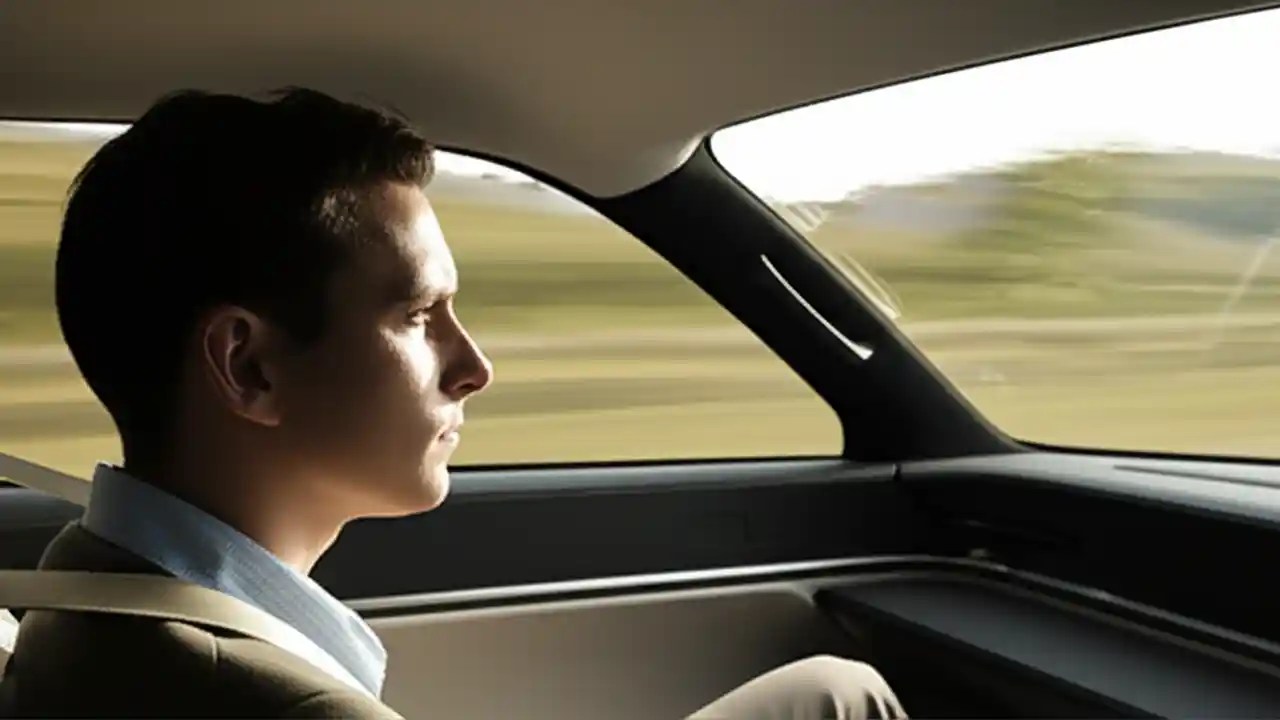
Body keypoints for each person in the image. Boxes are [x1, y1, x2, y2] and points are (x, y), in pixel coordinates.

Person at [0, 89, 906, 719]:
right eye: (420, 314)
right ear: (248, 368)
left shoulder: (88, 577)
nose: (473, 367)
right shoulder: (276, 699)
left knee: (830, 690)